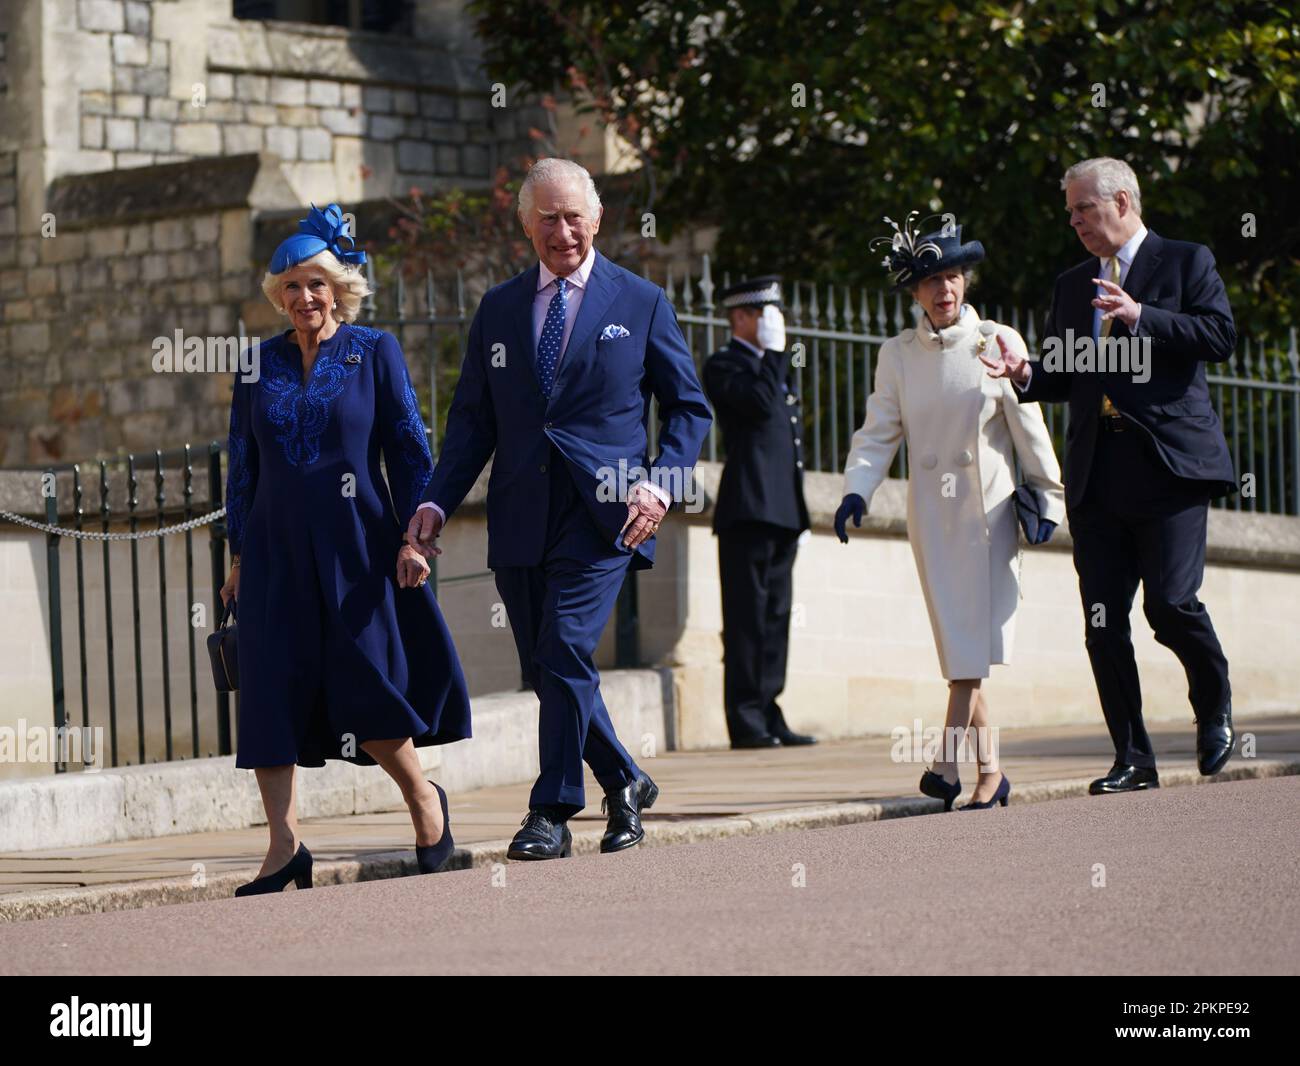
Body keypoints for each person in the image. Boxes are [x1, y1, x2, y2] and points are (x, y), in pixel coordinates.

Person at [406, 159, 712, 860]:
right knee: (548, 668)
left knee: (564, 646)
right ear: (526, 225)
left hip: (609, 512)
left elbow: (690, 407)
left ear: (597, 219)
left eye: (574, 215)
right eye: (547, 217)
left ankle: (552, 809)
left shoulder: (640, 302)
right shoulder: (500, 309)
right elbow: (472, 423)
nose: (562, 230)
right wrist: (434, 501)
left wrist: (660, 483)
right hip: (520, 513)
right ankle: (624, 778)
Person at [222, 204, 472, 895]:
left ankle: (423, 799)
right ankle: (283, 847)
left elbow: (409, 450)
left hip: (357, 546)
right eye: (293, 287)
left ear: (339, 289)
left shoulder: (374, 352)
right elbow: (241, 469)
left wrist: (417, 535)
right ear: (279, 295)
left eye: (317, 285)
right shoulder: (255, 366)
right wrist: (238, 557)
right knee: (269, 692)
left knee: (367, 683)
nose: (305, 298)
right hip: (273, 553)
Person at [981, 157, 1237, 794]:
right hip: (1098, 473)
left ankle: (1214, 705)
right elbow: (1066, 376)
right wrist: (1025, 373)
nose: (1074, 223)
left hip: (1169, 467)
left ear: (1122, 201)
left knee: (1171, 607)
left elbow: (1219, 336)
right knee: (1102, 619)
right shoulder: (1072, 286)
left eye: (1083, 210)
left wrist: (1141, 315)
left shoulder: (1185, 261)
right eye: (1070, 213)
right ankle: (1133, 758)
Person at [836, 214, 1064, 810]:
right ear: (914, 291)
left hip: (987, 515)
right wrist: (857, 489)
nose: (945, 289)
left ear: (966, 282)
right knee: (959, 642)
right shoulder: (898, 355)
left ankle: (943, 762)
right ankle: (993, 775)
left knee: (969, 645)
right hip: (931, 519)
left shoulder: (998, 340)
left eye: (954, 276)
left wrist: (1049, 494)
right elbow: (878, 431)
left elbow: (1029, 426)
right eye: (932, 280)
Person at [703, 276, 817, 749]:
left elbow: (787, 438)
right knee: (747, 618)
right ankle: (745, 717)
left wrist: (800, 508)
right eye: (765, 315)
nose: (774, 324)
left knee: (776, 616)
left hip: (783, 510)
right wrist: (773, 354)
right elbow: (758, 406)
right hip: (748, 508)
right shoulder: (723, 365)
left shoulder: (773, 366)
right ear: (741, 318)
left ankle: (769, 709)